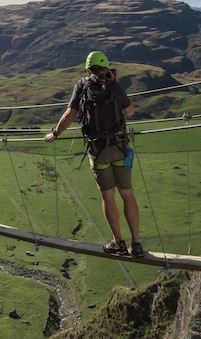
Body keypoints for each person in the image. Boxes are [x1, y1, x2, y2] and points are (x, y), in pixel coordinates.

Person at [44, 51, 144, 258]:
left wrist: (55, 133)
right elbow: (130, 111)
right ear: (107, 68)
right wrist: (116, 84)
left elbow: (69, 114)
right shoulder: (114, 85)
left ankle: (118, 242)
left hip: (97, 151)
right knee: (127, 194)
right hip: (120, 147)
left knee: (108, 196)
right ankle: (137, 243)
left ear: (88, 70)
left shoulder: (82, 85)